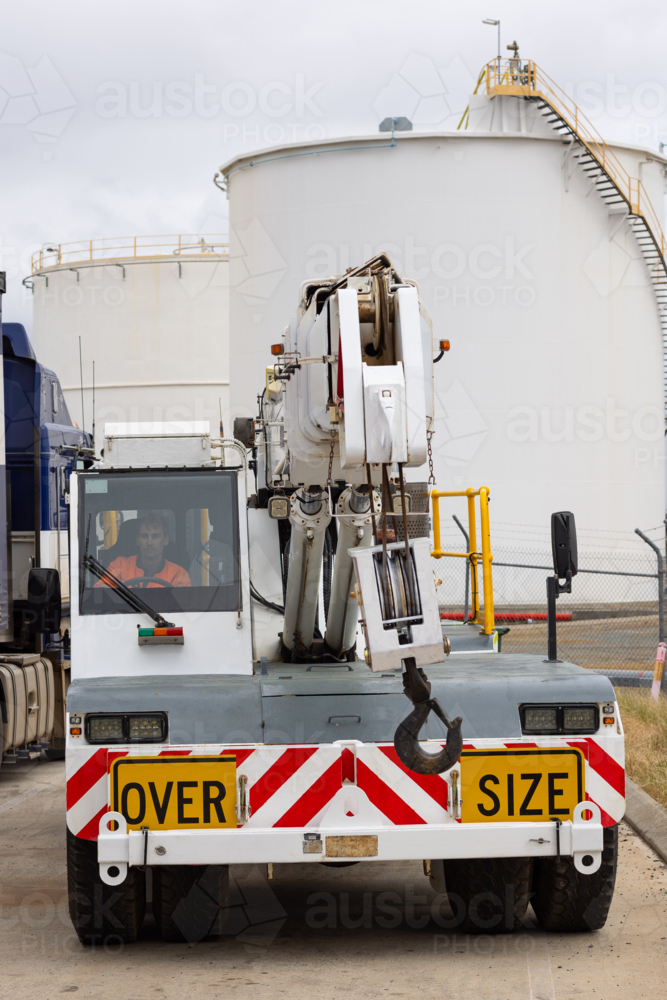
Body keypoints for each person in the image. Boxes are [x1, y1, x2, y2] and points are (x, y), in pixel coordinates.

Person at [100, 511, 191, 588]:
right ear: (137, 540)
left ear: (166, 540)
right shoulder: (119, 566)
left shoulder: (178, 575)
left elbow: (183, 606)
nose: (149, 543)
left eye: (155, 536)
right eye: (144, 536)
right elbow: (99, 596)